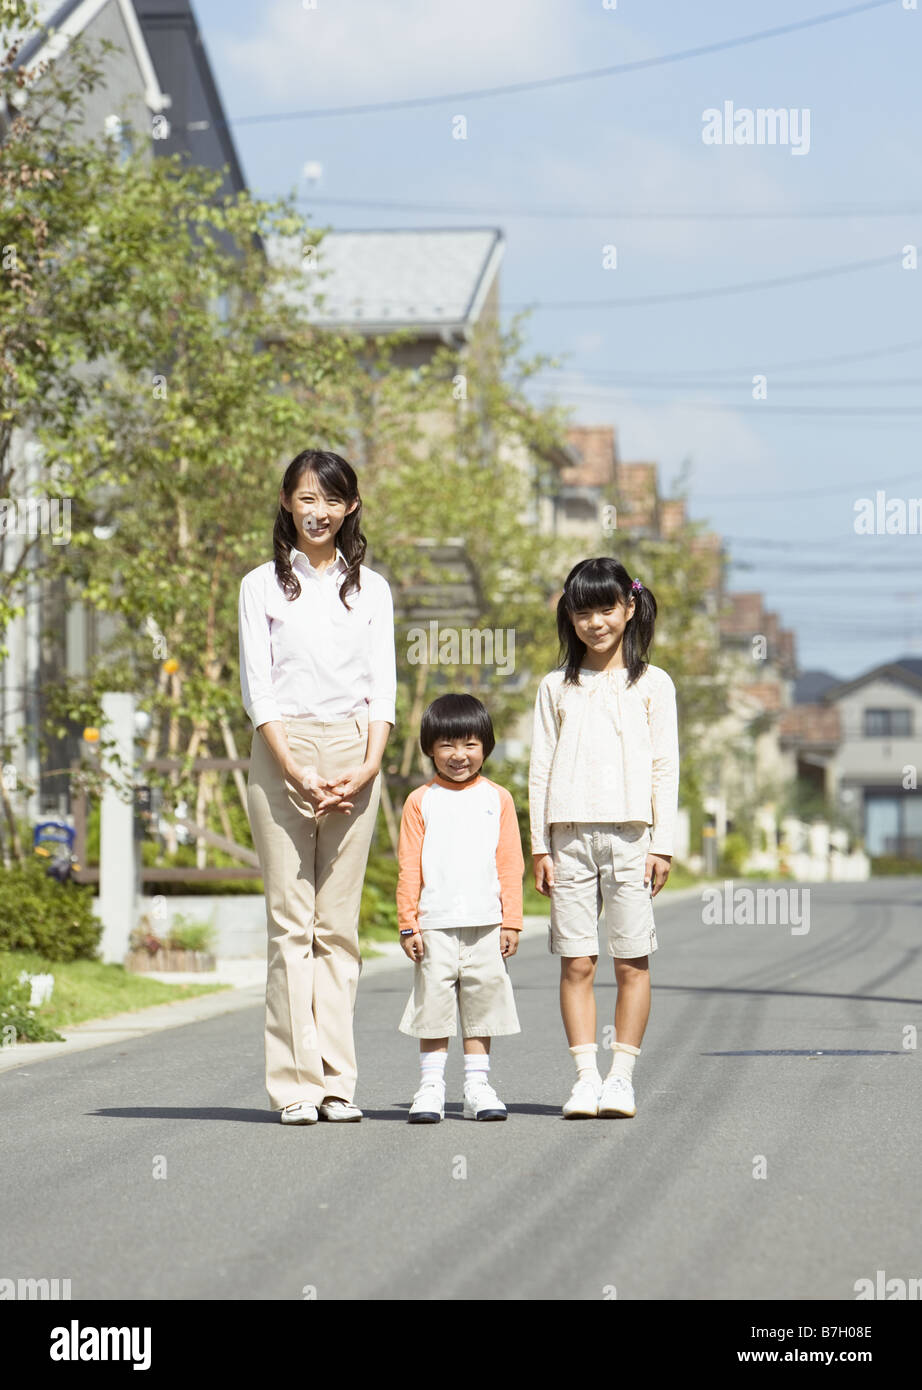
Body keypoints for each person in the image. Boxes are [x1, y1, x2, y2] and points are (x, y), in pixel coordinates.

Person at [238, 449, 396, 1125]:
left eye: (331, 501)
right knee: (289, 925)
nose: (319, 512)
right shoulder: (261, 586)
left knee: (337, 928)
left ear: (350, 508)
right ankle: (294, 1086)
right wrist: (295, 767)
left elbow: (383, 688)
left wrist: (366, 766)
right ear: (286, 501)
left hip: (356, 750)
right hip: (283, 749)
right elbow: (259, 688)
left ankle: (336, 1083)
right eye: (306, 499)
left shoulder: (373, 589)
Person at [528, 556, 679, 1119]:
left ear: (629, 608)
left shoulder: (653, 684)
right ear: (569, 616)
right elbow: (540, 767)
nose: (595, 622)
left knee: (632, 961)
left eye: (606, 609)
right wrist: (539, 844)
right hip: (567, 839)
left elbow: (666, 766)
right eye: (582, 610)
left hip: (632, 838)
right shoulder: (555, 687)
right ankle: (585, 1078)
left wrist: (662, 843)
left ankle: (622, 1078)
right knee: (576, 962)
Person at [396, 694, 523, 1123]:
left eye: (470, 744)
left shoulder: (497, 798)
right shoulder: (420, 801)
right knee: (433, 1007)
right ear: (430, 747)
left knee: (481, 1005)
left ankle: (477, 1085)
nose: (458, 756)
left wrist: (513, 920)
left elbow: (510, 862)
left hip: (487, 924)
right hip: (434, 925)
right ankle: (430, 1087)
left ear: (485, 746)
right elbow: (408, 866)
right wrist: (407, 924)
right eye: (447, 745)